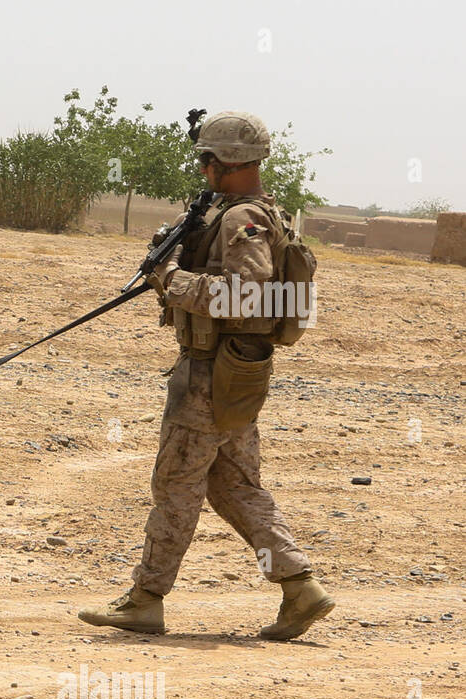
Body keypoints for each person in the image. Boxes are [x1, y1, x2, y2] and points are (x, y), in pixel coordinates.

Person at [78, 111, 334, 640]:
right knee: (234, 485)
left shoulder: (244, 220)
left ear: (223, 163)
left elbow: (244, 294)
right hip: (235, 371)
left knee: (176, 483)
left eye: (204, 160)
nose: (201, 170)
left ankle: (145, 600)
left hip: (211, 373)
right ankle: (298, 586)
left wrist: (170, 278)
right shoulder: (254, 213)